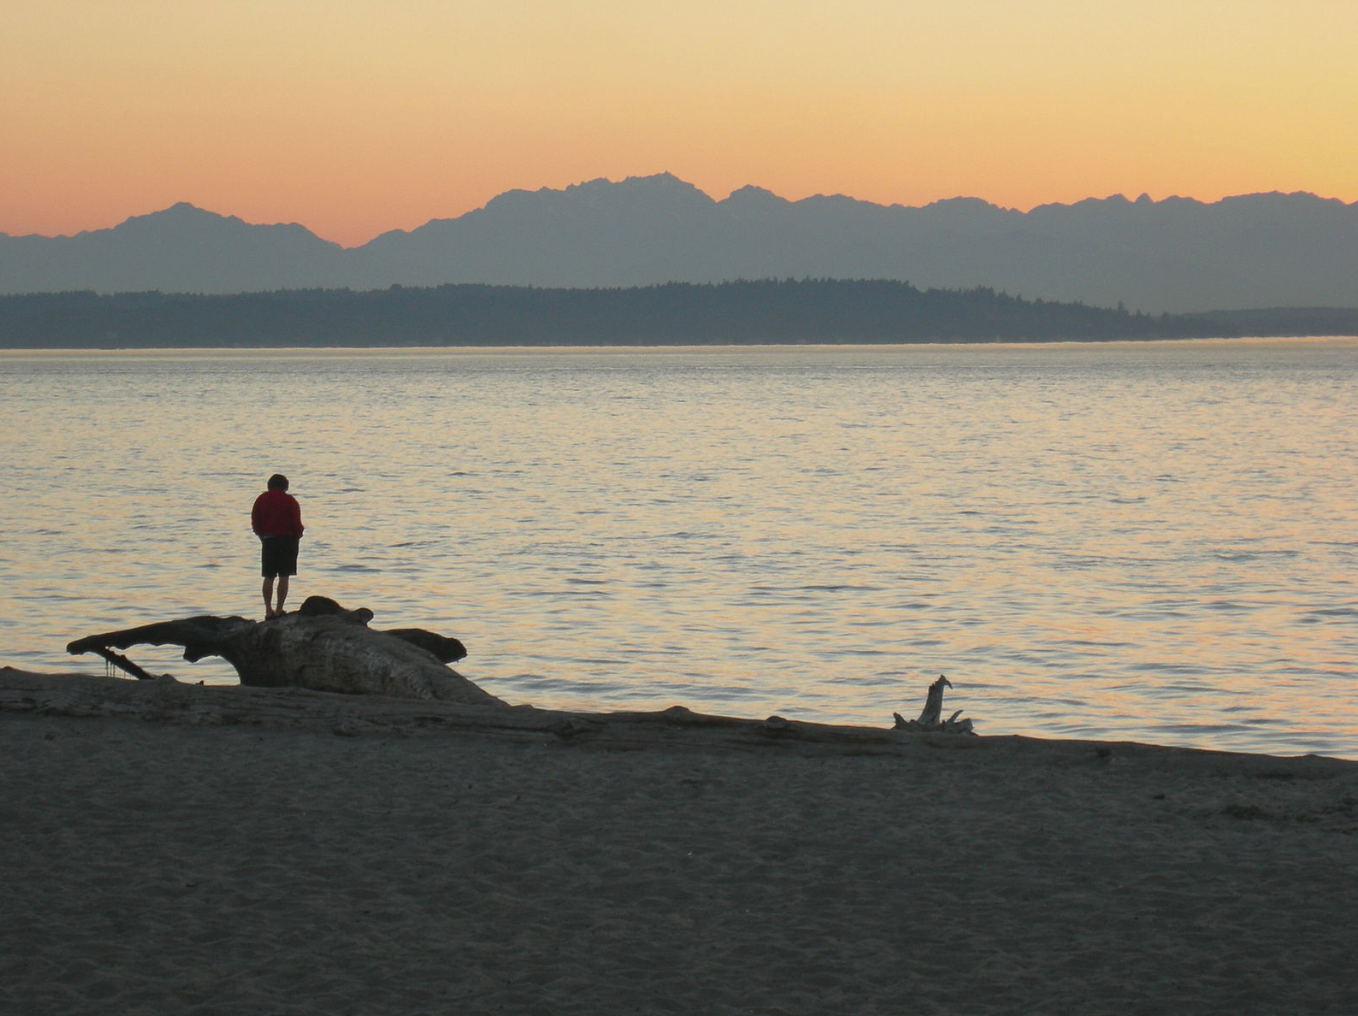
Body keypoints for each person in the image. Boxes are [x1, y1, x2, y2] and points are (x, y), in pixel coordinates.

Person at [251, 474, 305, 619]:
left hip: (268, 540)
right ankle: (279, 609)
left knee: (268, 576)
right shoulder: (290, 501)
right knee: (284, 576)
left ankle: (268, 610)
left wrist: (262, 536)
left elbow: (255, 523)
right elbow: (296, 523)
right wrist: (297, 536)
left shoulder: (261, 500)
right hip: (287, 540)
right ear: (285, 486)